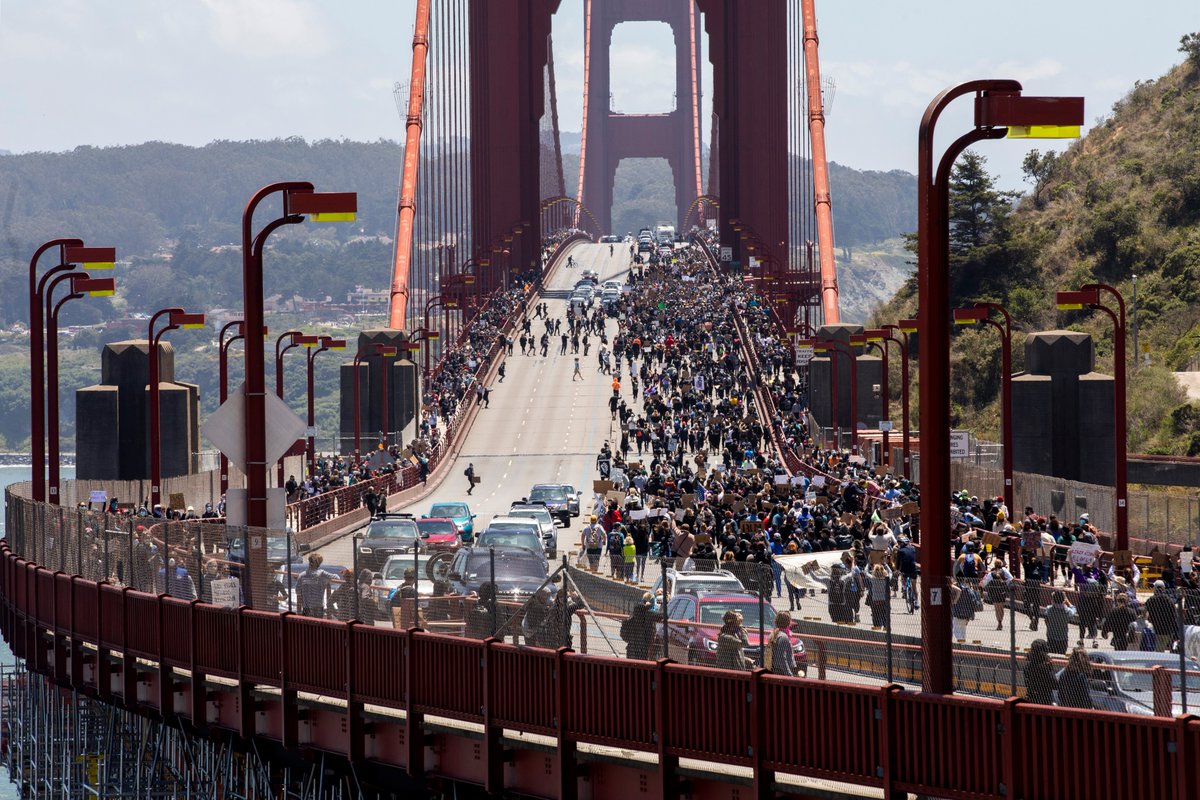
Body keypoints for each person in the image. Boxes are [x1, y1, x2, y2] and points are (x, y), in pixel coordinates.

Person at [620, 592, 660, 660]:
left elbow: (623, 633)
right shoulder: (649, 615)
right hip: (643, 647)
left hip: (631, 647)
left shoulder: (632, 616)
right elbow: (663, 616)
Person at [295, 554, 333, 618]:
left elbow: (297, 591)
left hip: (306, 606)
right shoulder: (322, 574)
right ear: (318, 564)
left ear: (309, 562)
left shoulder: (302, 575)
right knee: (317, 626)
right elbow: (336, 577)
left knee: (307, 625)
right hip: (318, 607)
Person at [1145, 579, 1178, 652]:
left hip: (1154, 628)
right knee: (1161, 647)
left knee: (1158, 648)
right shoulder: (1169, 600)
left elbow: (1145, 611)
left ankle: (1157, 661)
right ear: (1163, 588)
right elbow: (1174, 616)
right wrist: (1175, 631)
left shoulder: (1151, 600)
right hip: (1167, 629)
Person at [980, 558, 1012, 631]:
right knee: (1001, 608)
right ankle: (1001, 621)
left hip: (994, 592)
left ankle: (999, 622)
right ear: (1001, 564)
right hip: (1002, 591)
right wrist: (1005, 582)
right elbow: (1011, 578)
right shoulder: (1004, 570)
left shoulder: (991, 573)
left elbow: (984, 583)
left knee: (997, 608)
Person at [1023, 639, 1058, 705]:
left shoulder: (1028, 666)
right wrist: (1051, 668)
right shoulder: (1045, 667)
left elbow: (1026, 683)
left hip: (1031, 697)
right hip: (1045, 700)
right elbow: (1055, 685)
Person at [767, 611, 798, 676]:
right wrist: (789, 674)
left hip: (774, 669)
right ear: (788, 623)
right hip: (782, 672)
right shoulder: (783, 637)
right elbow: (781, 657)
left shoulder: (773, 634)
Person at [1044, 590, 1074, 654]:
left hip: (1051, 636)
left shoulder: (1049, 610)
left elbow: (1046, 620)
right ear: (1063, 600)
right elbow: (1074, 609)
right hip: (1062, 637)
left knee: (1051, 654)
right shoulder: (1067, 611)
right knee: (1061, 655)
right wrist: (1067, 600)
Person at [950, 577, 977, 642]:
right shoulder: (970, 591)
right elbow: (974, 603)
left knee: (957, 630)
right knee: (962, 630)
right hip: (967, 613)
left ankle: (961, 644)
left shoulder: (955, 589)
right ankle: (962, 643)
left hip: (957, 612)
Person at [868, 563, 891, 629]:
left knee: (875, 614)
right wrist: (886, 565)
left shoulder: (873, 579)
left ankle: (876, 626)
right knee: (885, 614)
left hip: (875, 600)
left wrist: (868, 563)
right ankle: (886, 627)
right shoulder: (886, 579)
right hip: (884, 600)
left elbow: (865, 572)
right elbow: (891, 573)